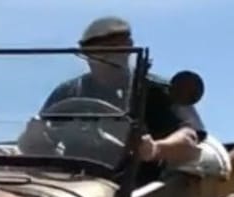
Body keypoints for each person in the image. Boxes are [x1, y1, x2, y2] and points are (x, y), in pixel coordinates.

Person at [24, 16, 206, 167]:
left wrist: (155, 149)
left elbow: (189, 137)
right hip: (76, 182)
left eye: (117, 51)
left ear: (129, 49)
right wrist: (34, 138)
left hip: (139, 186)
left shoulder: (157, 91)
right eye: (99, 53)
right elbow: (40, 145)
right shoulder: (69, 92)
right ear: (86, 56)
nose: (108, 59)